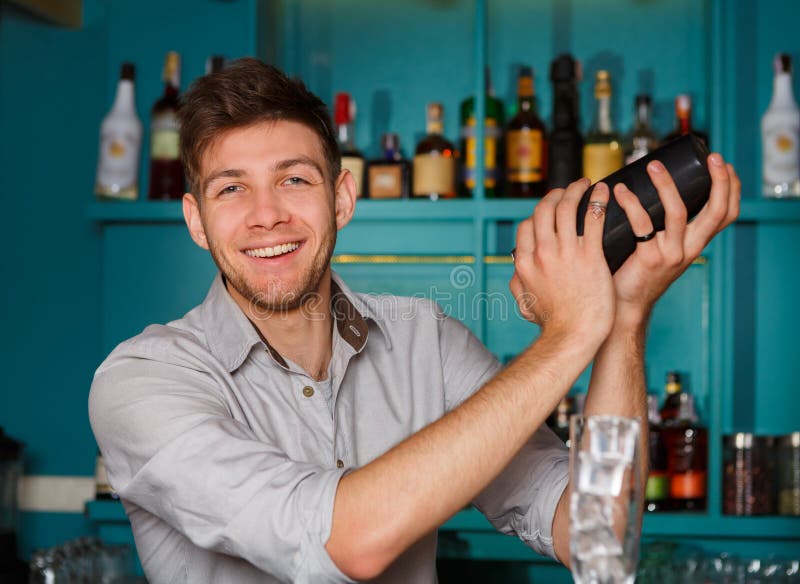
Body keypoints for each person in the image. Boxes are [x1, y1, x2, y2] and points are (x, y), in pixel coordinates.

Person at [88, 57, 740, 584]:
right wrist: (571, 335)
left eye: (294, 180)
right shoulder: (142, 382)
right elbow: (347, 542)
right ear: (196, 220)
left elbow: (602, 543)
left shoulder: (428, 344)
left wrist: (623, 320)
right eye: (232, 188)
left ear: (341, 199)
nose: (266, 215)